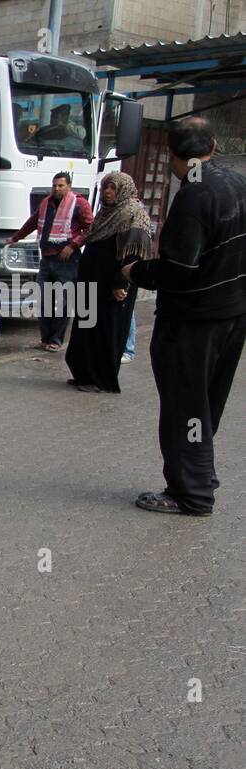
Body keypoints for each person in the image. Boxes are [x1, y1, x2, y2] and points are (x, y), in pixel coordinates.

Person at [122, 117, 246, 516]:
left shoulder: (194, 194)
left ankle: (190, 494)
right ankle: (200, 475)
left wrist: (135, 272)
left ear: (172, 156)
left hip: (194, 320)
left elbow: (179, 268)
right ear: (212, 144)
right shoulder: (237, 183)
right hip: (231, 315)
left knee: (185, 406)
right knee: (206, 403)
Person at [64, 172, 151, 393]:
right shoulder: (105, 214)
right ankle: (82, 374)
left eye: (113, 188)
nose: (108, 192)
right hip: (91, 281)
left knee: (106, 329)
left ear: (123, 189)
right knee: (85, 326)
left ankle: (100, 378)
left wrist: (121, 283)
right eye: (105, 188)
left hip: (111, 286)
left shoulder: (133, 213)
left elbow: (133, 254)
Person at [5, 171, 94, 350]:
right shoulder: (46, 203)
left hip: (67, 260)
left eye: (61, 185)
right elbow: (33, 221)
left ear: (69, 186)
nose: (56, 188)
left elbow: (91, 228)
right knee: (43, 299)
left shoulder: (79, 203)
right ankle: (45, 338)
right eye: (54, 185)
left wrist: (73, 246)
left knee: (62, 300)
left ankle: (56, 340)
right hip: (46, 258)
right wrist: (16, 237)